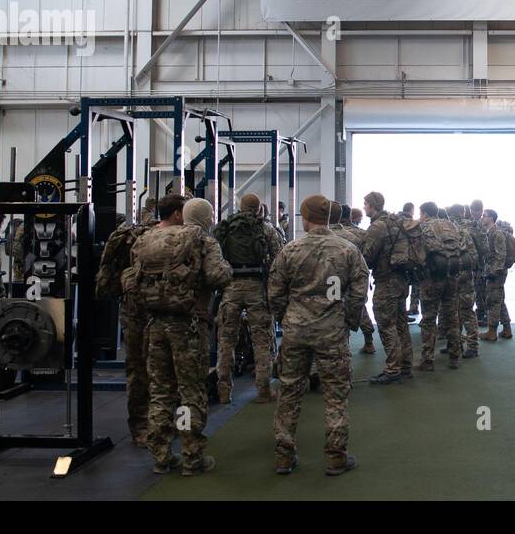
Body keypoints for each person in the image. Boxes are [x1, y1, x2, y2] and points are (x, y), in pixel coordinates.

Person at [124, 195, 231, 476]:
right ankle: (191, 456)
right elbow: (219, 277)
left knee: (160, 391)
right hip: (189, 327)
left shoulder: (147, 238)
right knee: (190, 392)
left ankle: (160, 457)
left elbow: (132, 279)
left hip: (155, 324)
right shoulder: (203, 241)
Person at [268, 195, 367, 476]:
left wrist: (286, 318)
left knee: (289, 390)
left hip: (296, 330)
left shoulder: (290, 250)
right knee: (336, 394)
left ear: (305, 217)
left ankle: (283, 456)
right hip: (331, 330)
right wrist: (347, 321)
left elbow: (274, 291)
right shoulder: (347, 250)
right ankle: (336, 457)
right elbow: (359, 292)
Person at [213, 193, 283, 405]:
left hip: (231, 287)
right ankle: (263, 391)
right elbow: (279, 258)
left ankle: (224, 392)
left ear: (240, 207)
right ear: (258, 209)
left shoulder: (226, 227)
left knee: (226, 342)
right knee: (262, 341)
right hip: (256, 288)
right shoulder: (266, 229)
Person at [96, 206, 158, 446]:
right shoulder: (175, 238)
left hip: (133, 312)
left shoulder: (127, 238)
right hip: (159, 313)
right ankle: (155, 424)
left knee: (138, 369)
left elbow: (107, 282)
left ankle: (141, 427)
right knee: (159, 370)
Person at [362, 192, 413, 384]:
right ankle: (406, 365)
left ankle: (393, 370)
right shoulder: (396, 222)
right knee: (401, 324)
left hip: (386, 281)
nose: (364, 207)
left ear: (373, 205)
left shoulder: (378, 226)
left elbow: (367, 257)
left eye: (366, 204)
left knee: (386, 325)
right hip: (401, 280)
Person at [416, 201, 460, 370]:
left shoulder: (425, 227)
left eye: (420, 214)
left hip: (432, 278)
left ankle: (427, 360)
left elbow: (421, 253)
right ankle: (455, 356)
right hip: (452, 276)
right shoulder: (452, 226)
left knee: (428, 319)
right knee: (451, 316)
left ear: (425, 214)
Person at [331, 204, 377, 354]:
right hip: (356, 278)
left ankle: (342, 345)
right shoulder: (360, 234)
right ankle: (369, 341)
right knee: (360, 307)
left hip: (333, 281)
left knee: (334, 309)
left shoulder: (329, 234)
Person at [447, 204, 483, 358]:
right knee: (456, 312)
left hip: (462, 279)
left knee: (466, 312)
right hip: (457, 277)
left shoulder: (461, 231)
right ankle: (457, 344)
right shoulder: (457, 230)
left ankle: (472, 346)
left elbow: (473, 257)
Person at [479, 209, 510, 343]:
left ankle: (492, 331)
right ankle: (507, 329)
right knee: (499, 300)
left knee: (492, 300)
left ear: (491, 218)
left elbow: (500, 255)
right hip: (494, 271)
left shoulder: (496, 233)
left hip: (496, 272)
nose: (482, 218)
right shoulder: (490, 232)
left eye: (484, 216)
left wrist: (493, 272)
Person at [402, 201, 420, 321]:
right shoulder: (412, 223)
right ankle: (413, 307)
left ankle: (404, 311)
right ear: (411, 210)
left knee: (403, 286)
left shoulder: (397, 221)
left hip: (402, 259)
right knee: (415, 284)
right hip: (413, 259)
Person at [470, 199, 487, 324]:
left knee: (480, 289)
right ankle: (482, 312)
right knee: (481, 289)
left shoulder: (477, 224)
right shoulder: (486, 222)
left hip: (480, 263)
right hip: (484, 262)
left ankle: (482, 313)